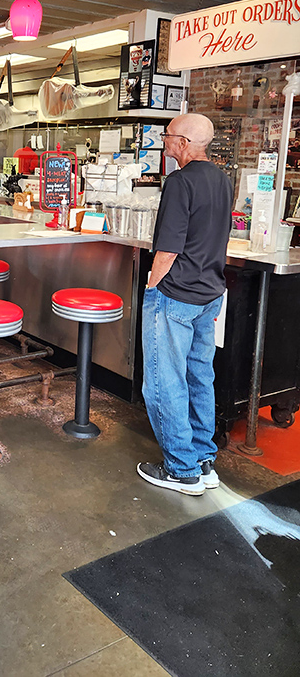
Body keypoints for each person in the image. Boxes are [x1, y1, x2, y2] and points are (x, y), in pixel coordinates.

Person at [137, 113, 233, 497]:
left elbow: (168, 248)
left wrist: (151, 284)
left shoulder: (180, 182)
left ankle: (180, 469)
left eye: (168, 137)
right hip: (209, 295)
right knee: (199, 376)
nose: (164, 143)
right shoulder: (222, 180)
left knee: (163, 381)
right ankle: (202, 460)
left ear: (184, 143)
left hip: (175, 295)